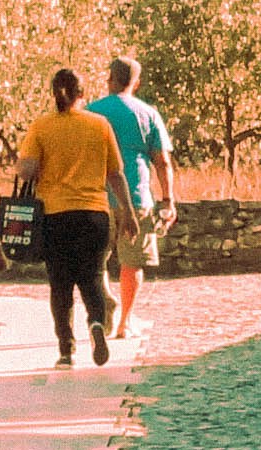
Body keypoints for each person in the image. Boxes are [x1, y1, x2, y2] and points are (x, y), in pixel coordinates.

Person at [12, 65, 127, 367]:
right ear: (82, 94)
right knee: (92, 278)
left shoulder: (42, 126)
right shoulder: (100, 125)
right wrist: (127, 212)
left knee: (60, 284)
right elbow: (115, 174)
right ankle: (97, 325)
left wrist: (23, 162)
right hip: (94, 214)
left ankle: (66, 350)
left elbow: (26, 170)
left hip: (55, 214)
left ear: (54, 94)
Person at [91, 54, 177, 339]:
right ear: (136, 83)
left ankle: (104, 307)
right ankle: (125, 323)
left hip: (97, 196)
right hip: (137, 196)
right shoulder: (147, 114)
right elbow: (162, 161)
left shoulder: (92, 112)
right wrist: (168, 199)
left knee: (95, 260)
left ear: (109, 79)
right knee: (132, 262)